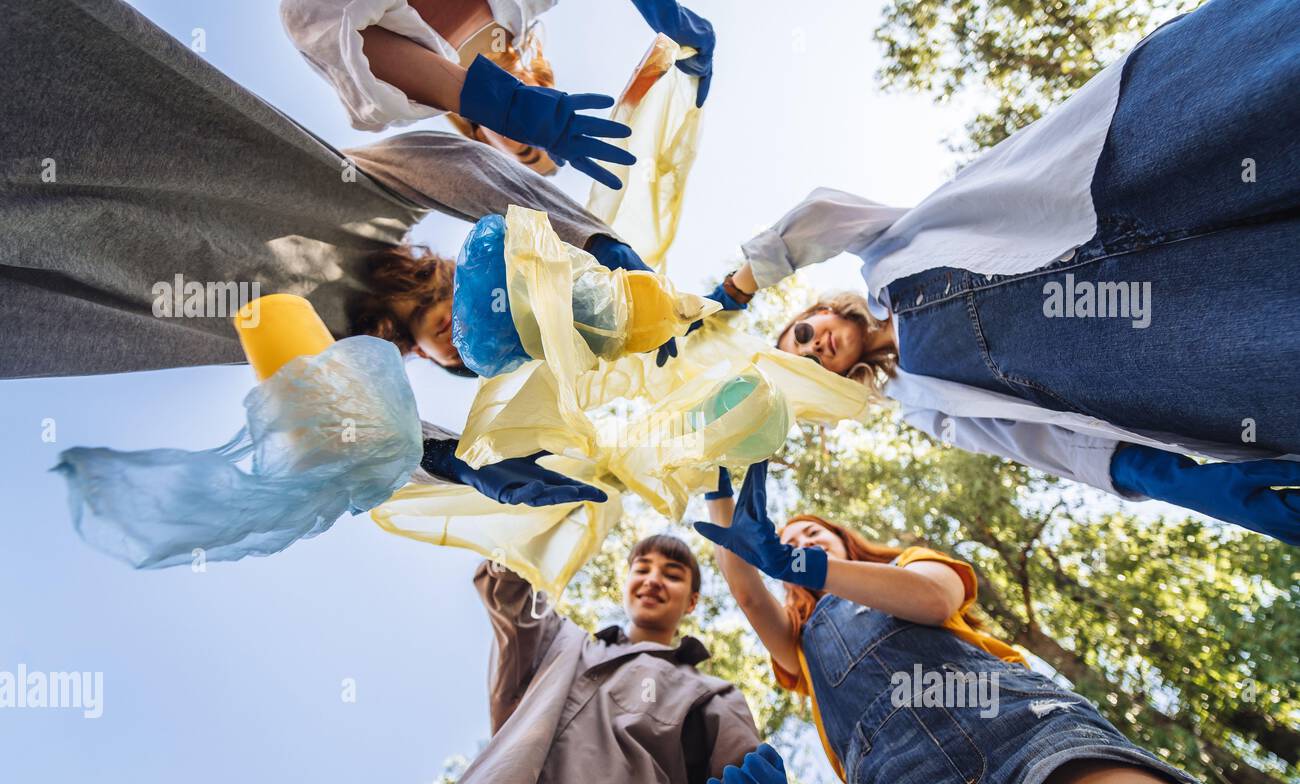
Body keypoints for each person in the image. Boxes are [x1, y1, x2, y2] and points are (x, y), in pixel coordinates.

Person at [693, 0, 1300, 545]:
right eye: (811, 366)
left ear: (815, 312)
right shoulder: (921, 405)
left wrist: (736, 289)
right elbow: (1042, 444)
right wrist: (1163, 477)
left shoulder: (883, 252)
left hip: (1119, 171)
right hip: (1168, 342)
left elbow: (820, 217)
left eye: (802, 336)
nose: (816, 348)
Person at [0, 0, 631, 506]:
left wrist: (452, 459)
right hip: (90, 120)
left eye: (459, 360)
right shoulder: (383, 203)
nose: (458, 342)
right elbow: (465, 167)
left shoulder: (338, 351)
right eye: (495, 316)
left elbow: (346, 436)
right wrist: (595, 241)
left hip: (52, 268)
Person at [694, 462, 1261, 784]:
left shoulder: (909, 563)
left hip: (1017, 721)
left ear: (845, 540)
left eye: (813, 533)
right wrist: (721, 476)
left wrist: (801, 561)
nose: (802, 540)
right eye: (789, 542)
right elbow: (745, 589)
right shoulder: (795, 640)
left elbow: (934, 599)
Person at [390, 534, 795, 784]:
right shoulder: (558, 646)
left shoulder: (711, 693)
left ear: (691, 601)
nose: (653, 579)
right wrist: (532, 519)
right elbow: (510, 590)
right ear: (625, 584)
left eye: (672, 574)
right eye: (642, 568)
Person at [280, 0, 716, 188]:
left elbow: (309, 17)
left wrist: (502, 102)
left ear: (482, 136)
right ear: (553, 91)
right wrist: (666, 10)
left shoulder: (393, 99)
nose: (531, 139)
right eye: (538, 147)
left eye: (525, 153)